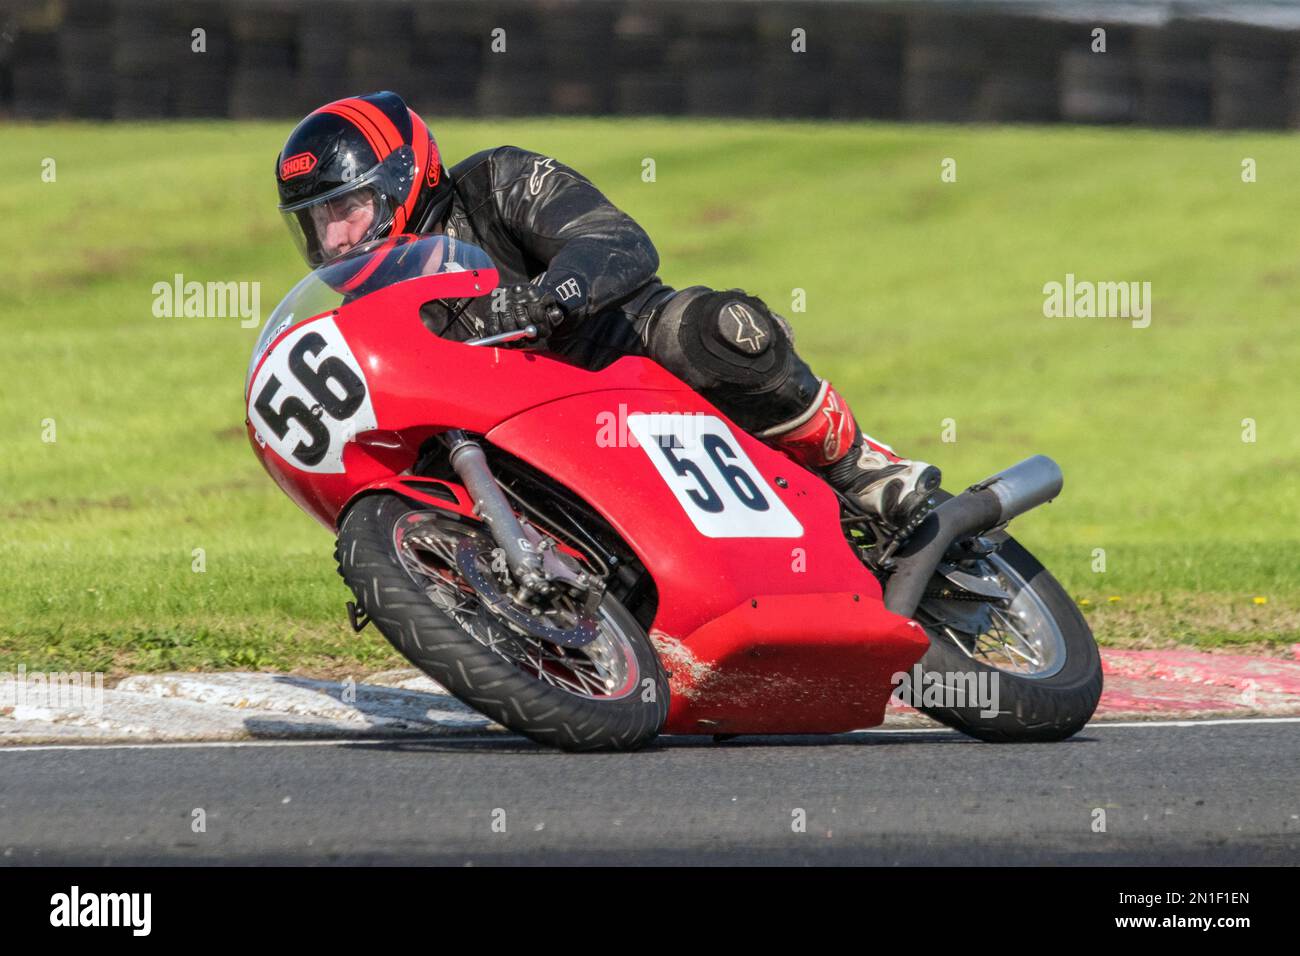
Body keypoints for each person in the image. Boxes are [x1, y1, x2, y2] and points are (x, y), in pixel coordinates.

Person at [275, 92, 940, 530]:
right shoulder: (364, 312)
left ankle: (860, 468)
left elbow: (616, 240)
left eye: (347, 208)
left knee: (717, 329)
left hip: (619, 358)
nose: (334, 239)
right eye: (316, 222)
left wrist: (554, 297)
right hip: (531, 440)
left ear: (400, 181)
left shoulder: (499, 181)